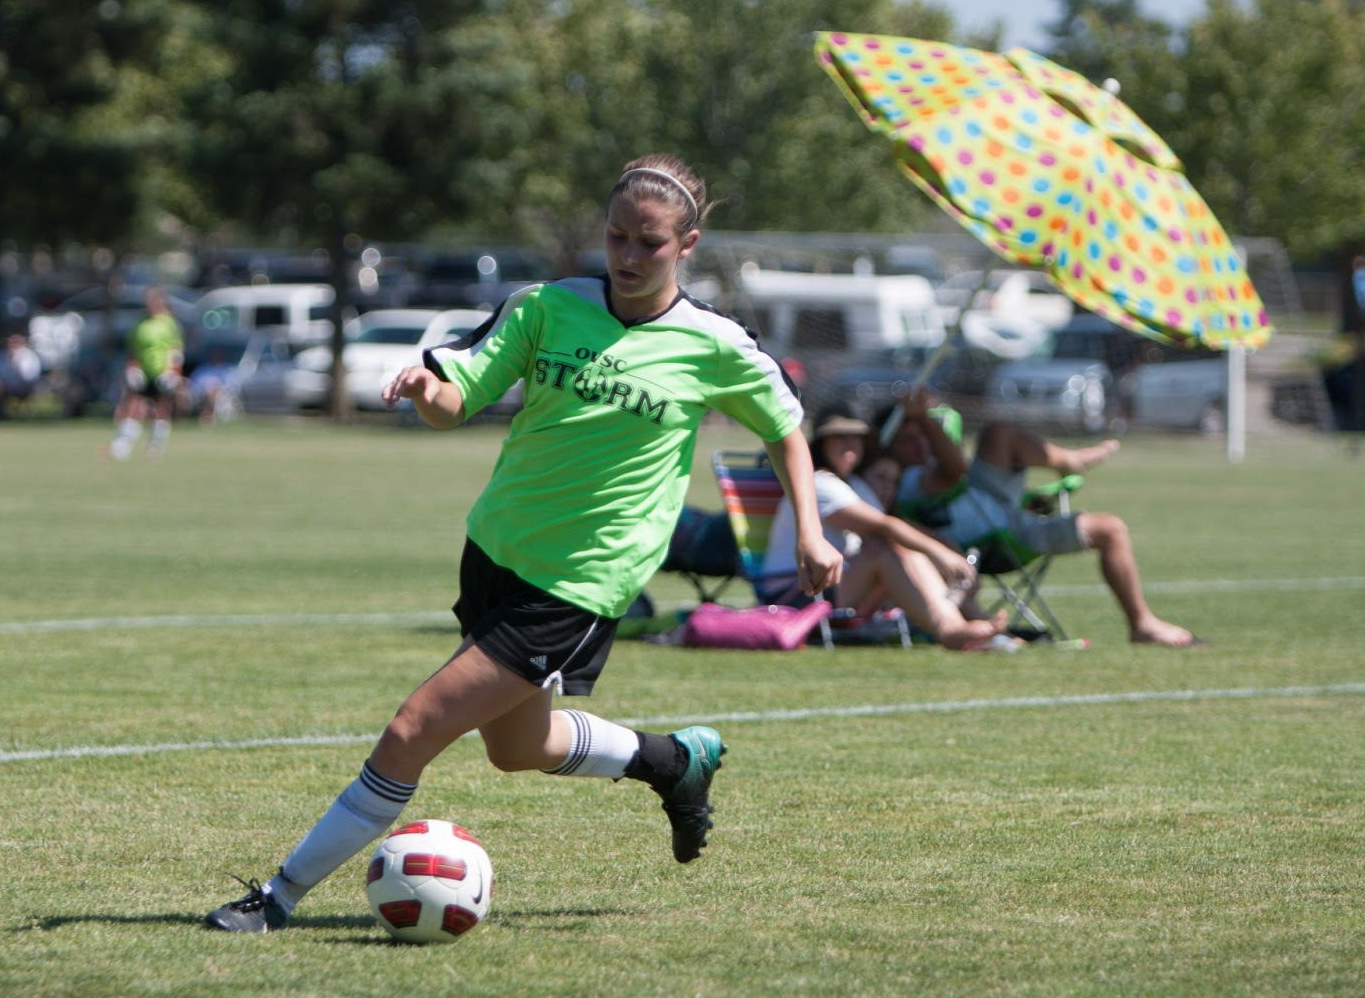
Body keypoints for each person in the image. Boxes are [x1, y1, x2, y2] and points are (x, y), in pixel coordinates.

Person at [204, 153, 845, 934]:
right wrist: (426, 391)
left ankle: (278, 896)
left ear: (688, 244)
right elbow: (460, 394)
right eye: (616, 237)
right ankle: (675, 763)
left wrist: (810, 530)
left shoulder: (714, 344)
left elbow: (785, 426)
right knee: (519, 746)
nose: (629, 256)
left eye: (649, 242)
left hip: (580, 579)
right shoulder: (545, 306)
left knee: (414, 729)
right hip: (496, 551)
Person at [876, 390, 1203, 647]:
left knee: (999, 432)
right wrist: (927, 421)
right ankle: (1142, 624)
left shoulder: (918, 471)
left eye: (919, 435)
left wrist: (1031, 500)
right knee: (1110, 528)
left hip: (994, 502)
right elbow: (953, 471)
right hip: (995, 539)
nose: (918, 444)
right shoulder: (899, 481)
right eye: (907, 438)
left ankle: (1069, 460)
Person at [760, 411, 1012, 652]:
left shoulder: (853, 484)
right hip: (795, 592)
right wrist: (942, 554)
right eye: (839, 437)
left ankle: (987, 632)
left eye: (855, 438)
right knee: (887, 553)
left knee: (901, 551)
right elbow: (885, 525)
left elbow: (892, 526)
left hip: (833, 583)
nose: (850, 444)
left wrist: (945, 550)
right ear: (822, 444)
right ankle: (951, 631)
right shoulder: (819, 483)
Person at [104, 287, 183, 459]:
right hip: (143, 371)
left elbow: (176, 349)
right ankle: (123, 444)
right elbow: (132, 349)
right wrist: (132, 367)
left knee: (161, 407)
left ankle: (156, 445)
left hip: (162, 372)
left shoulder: (168, 323)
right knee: (134, 404)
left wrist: (173, 372)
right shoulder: (139, 324)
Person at [0, 332, 42, 420]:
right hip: (4, 387)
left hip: (24, 386)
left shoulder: (29, 356)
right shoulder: (1, 355)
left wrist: (15, 362)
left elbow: (29, 377)